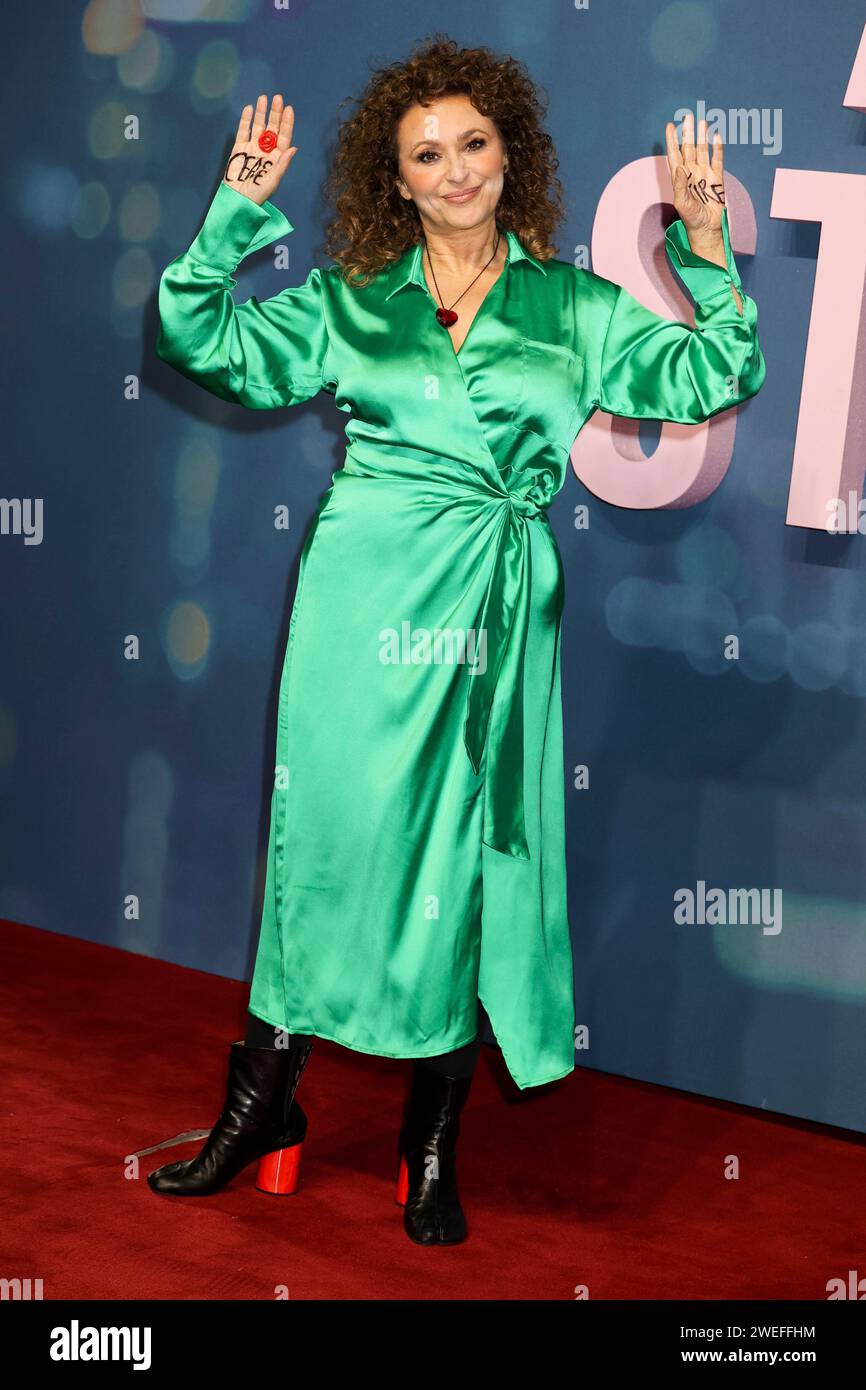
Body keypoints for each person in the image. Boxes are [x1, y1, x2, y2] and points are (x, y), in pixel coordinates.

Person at [146, 37, 766, 1244]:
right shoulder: (347, 300)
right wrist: (234, 213)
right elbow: (195, 337)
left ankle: (428, 1143)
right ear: (398, 178)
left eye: (471, 144)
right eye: (424, 154)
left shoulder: (575, 307)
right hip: (357, 604)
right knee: (322, 845)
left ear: (509, 155)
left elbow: (715, 368)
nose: (453, 171)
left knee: (460, 860)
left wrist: (703, 241)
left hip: (487, 610)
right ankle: (261, 1104)